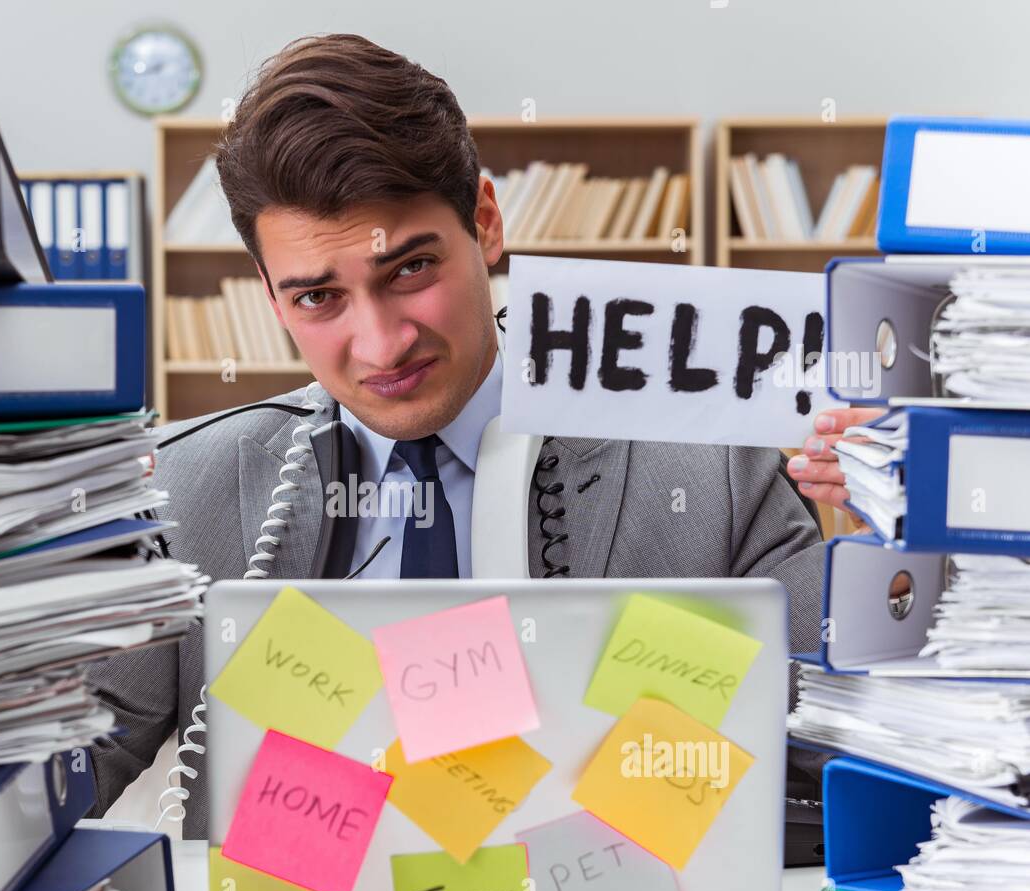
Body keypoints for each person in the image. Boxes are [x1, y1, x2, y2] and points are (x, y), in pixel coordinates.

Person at [86, 33, 877, 835]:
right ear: (269, 295)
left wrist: (917, 524)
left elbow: (863, 762)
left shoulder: (715, 471)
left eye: (410, 271)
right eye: (319, 298)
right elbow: (45, 767)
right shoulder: (182, 495)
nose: (382, 345)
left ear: (486, 224)